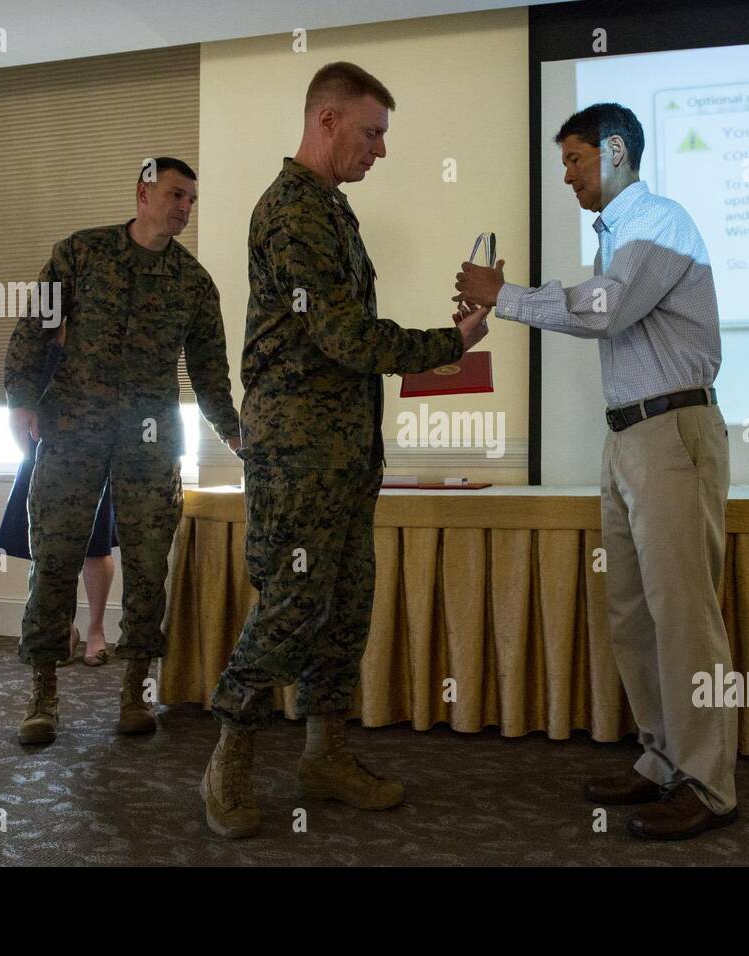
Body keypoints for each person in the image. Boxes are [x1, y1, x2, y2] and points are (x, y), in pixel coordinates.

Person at [198, 62, 491, 839]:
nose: (381, 151)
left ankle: (324, 754)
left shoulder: (329, 209)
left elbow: (340, 336)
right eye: (372, 133)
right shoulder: (294, 210)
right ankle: (229, 752)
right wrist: (448, 343)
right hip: (298, 452)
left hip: (343, 451)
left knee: (345, 604)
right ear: (326, 121)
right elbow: (341, 335)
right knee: (293, 604)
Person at [454, 102, 736, 841]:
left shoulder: (658, 221)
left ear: (615, 152)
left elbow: (603, 311)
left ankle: (707, 784)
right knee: (635, 612)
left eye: (576, 159)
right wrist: (509, 298)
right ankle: (660, 759)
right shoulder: (621, 237)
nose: (569, 175)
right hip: (632, 439)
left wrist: (502, 297)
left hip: (672, 430)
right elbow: (600, 307)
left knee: (683, 617)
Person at [5, 157, 242, 745]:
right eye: (175, 195)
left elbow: (211, 374)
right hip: (73, 430)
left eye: (191, 200)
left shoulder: (193, 282)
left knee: (146, 567)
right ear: (143, 193)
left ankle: (136, 689)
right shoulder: (80, 255)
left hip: (150, 442)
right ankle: (42, 695)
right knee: (54, 559)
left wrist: (234, 433)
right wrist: (19, 400)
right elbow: (34, 329)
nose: (185, 208)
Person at [0, 319, 115, 668]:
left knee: (96, 546)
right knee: (45, 550)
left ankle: (95, 632)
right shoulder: (38, 339)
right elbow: (22, 391)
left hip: (95, 451)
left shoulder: (104, 337)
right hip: (44, 451)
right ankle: (59, 631)